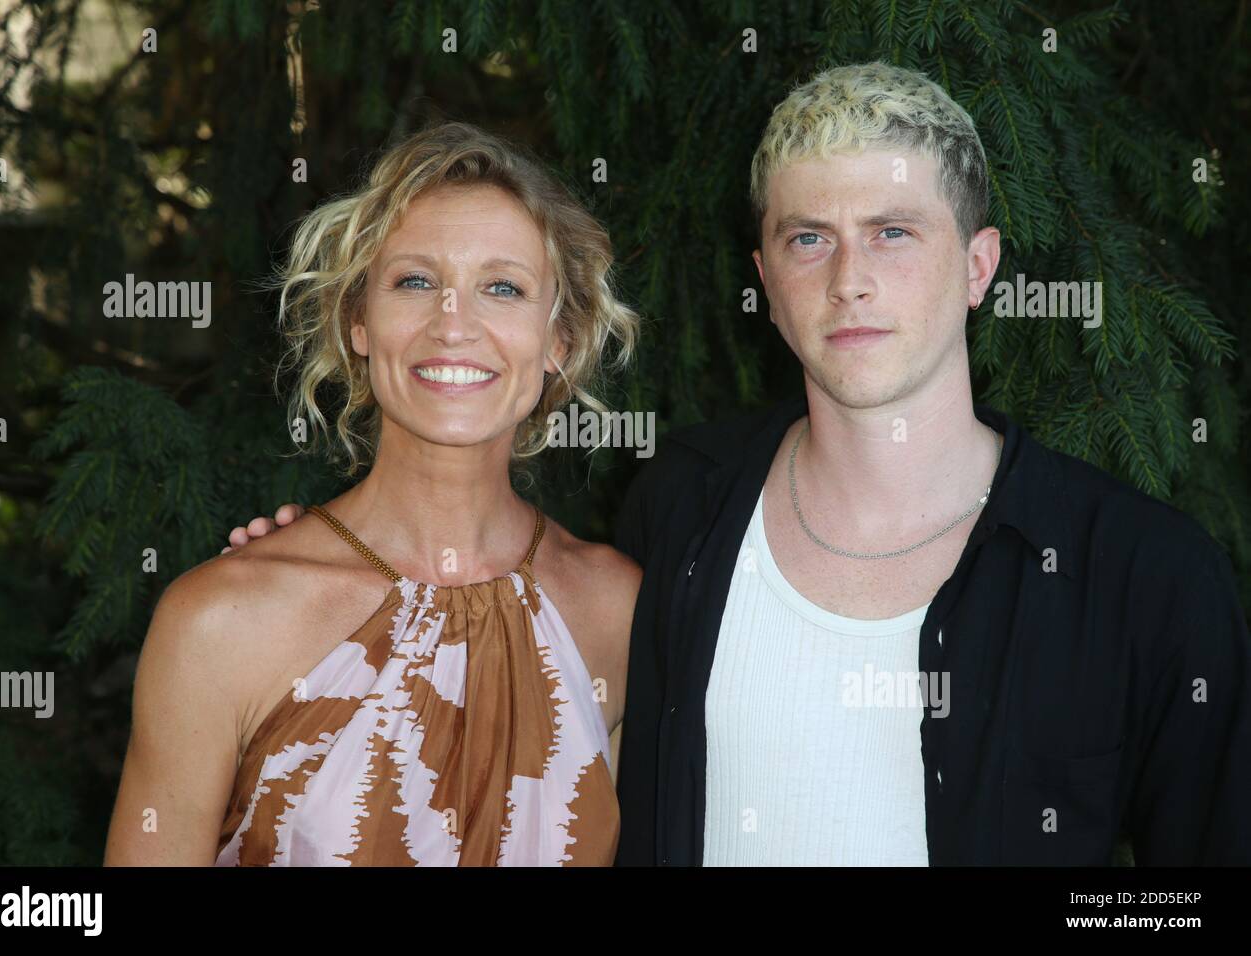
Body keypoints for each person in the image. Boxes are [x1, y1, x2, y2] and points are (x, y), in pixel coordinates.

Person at [227, 62, 1251, 866]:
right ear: (763, 275)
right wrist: (309, 577)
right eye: (809, 238)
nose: (850, 279)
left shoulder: (1141, 576)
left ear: (977, 265)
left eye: (893, 232)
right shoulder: (681, 510)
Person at [104, 121, 642, 866]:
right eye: (416, 281)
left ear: (560, 339)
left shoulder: (618, 610)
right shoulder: (221, 621)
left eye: (503, 287)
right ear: (358, 320)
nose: (454, 325)